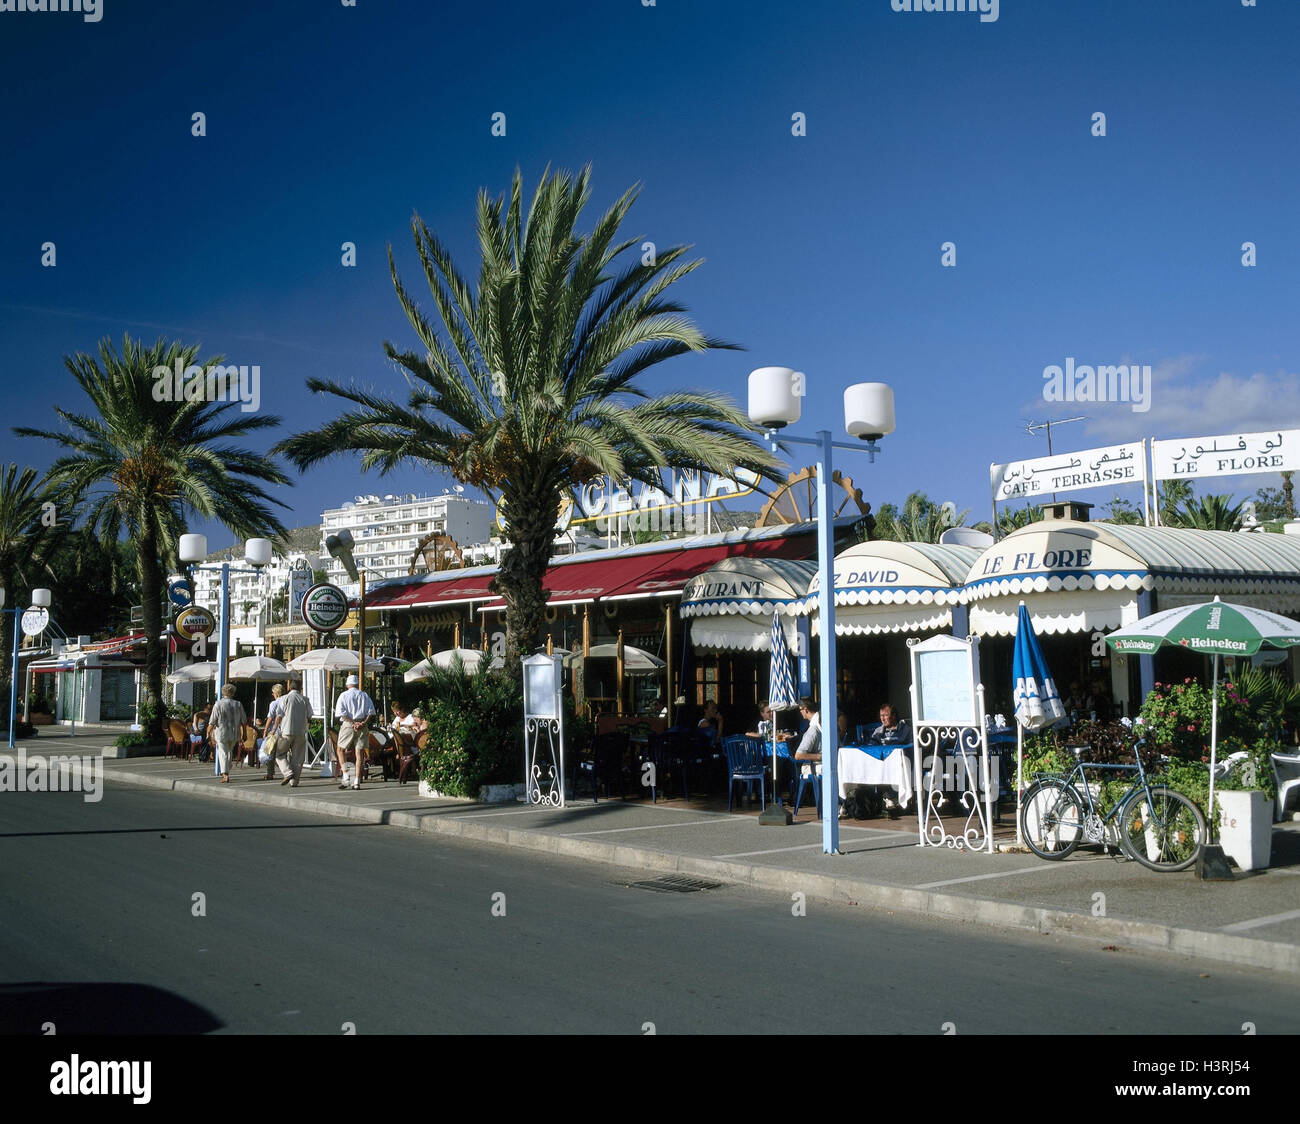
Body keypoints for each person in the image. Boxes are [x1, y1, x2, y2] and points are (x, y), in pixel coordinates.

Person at [334, 673, 376, 789]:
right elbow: (370, 712)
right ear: (357, 684)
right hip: (362, 725)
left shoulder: (343, 695)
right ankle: (357, 780)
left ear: (347, 685)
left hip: (348, 724)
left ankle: (346, 774)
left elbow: (341, 713)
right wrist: (362, 723)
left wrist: (353, 723)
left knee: (340, 749)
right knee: (359, 753)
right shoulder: (364, 695)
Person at [275, 677, 312, 786]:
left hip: (286, 730)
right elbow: (310, 715)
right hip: (300, 731)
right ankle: (294, 782)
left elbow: (279, 715)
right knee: (298, 758)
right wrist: (306, 726)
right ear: (301, 688)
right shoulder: (305, 699)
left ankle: (287, 772)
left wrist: (274, 729)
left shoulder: (284, 698)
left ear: (289, 687)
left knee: (279, 753)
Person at [208, 685, 248, 784]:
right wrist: (245, 733)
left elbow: (212, 721)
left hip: (221, 732)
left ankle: (225, 773)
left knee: (223, 752)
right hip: (234, 732)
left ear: (223, 692)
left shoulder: (218, 704)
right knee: (229, 751)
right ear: (233, 693)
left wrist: (208, 732)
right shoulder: (238, 704)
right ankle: (227, 768)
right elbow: (244, 721)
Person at [390, 702, 426, 785]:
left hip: (411, 742)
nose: (396, 714)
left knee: (402, 741)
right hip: (402, 742)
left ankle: (400, 756)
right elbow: (393, 727)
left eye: (397, 711)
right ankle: (398, 758)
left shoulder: (410, 717)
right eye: (394, 712)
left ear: (402, 710)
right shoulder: (396, 719)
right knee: (393, 740)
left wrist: (404, 725)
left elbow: (414, 726)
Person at [260, 683, 286, 780]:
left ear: (276, 693)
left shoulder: (274, 703)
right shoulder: (286, 701)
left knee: (270, 751)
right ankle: (285, 772)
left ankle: (270, 773)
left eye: (273, 692)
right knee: (284, 752)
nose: (272, 694)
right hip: (285, 729)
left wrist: (265, 730)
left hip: (274, 731)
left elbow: (270, 718)